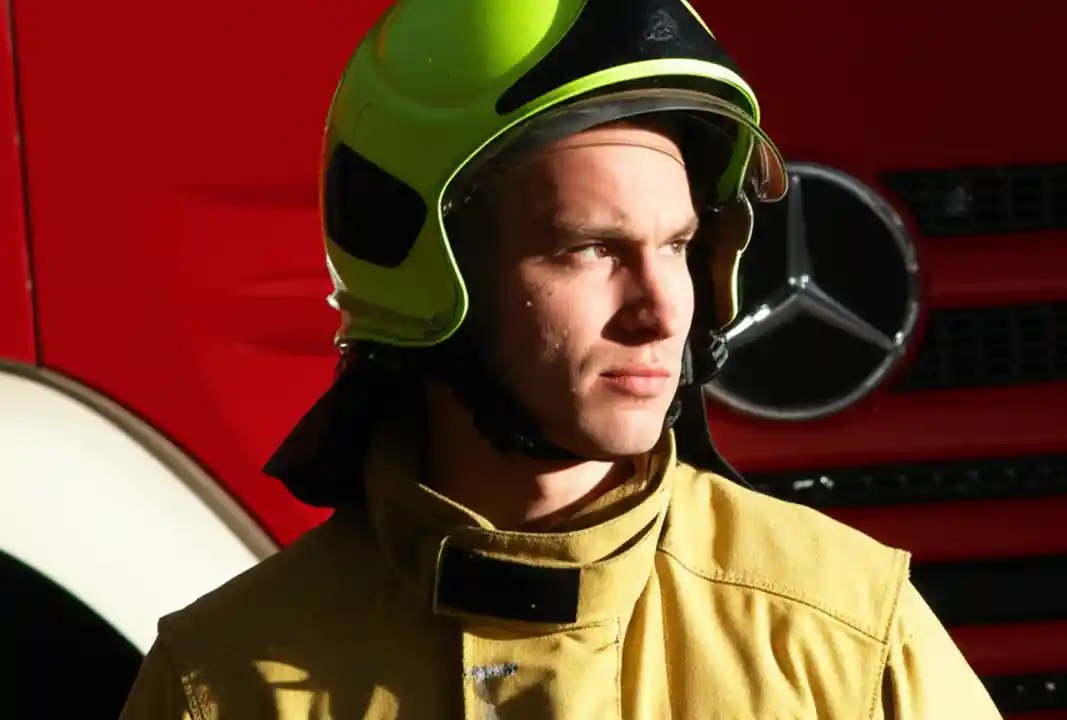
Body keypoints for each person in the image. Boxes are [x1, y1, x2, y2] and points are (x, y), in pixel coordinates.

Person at [119, 0, 1002, 717]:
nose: (661, 311)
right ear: (430, 266)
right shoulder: (225, 686)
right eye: (589, 248)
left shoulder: (844, 640)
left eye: (680, 245)